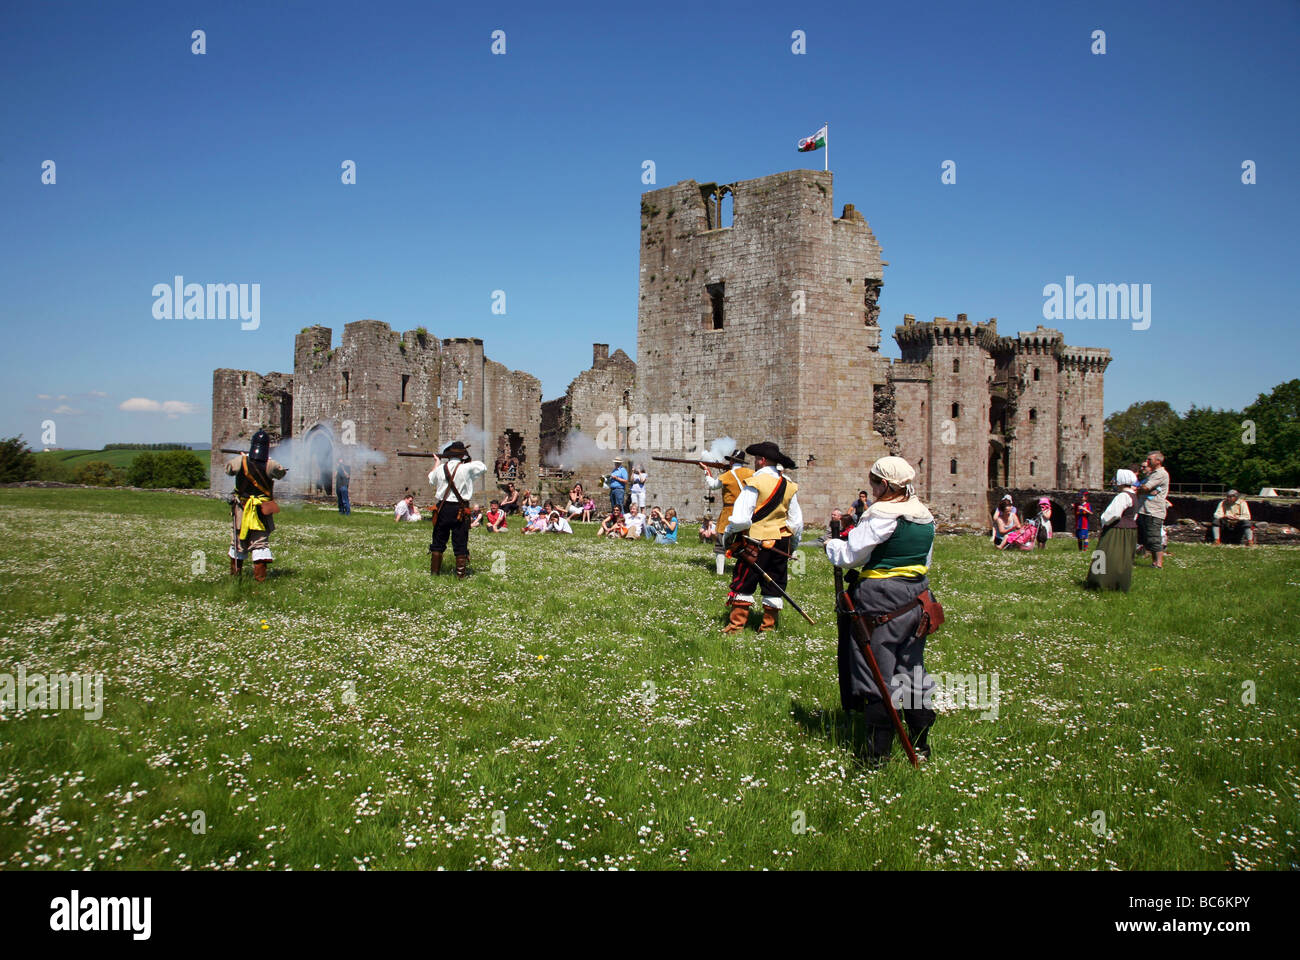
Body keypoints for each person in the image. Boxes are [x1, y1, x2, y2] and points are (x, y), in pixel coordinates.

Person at [825, 455, 938, 764]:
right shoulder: (924, 516)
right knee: (911, 670)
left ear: (886, 485)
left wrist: (830, 546)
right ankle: (921, 743)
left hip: (880, 600)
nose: (871, 488)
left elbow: (850, 555)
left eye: (874, 482)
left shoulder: (881, 515)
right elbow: (923, 562)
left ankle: (877, 754)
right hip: (917, 597)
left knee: (875, 673)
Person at [722, 441, 803, 634]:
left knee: (744, 582)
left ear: (762, 460)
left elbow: (741, 519)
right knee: (775, 583)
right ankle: (768, 627)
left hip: (754, 542)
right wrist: (793, 544)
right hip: (781, 543)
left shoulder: (754, 483)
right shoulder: (789, 485)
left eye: (757, 459)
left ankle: (735, 627)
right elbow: (796, 523)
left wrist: (729, 533)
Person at [224, 429, 288, 582]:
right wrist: (269, 461)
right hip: (261, 511)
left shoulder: (241, 462)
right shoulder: (271, 464)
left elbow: (229, 469)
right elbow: (281, 474)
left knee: (238, 542)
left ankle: (236, 577)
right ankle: (259, 580)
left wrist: (243, 458)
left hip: (242, 508)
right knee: (260, 544)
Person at [428, 440, 488, 579]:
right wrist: (467, 458)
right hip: (459, 510)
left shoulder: (440, 468)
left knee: (438, 541)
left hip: (442, 509)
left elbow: (431, 479)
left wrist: (437, 463)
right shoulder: (467, 468)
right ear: (463, 455)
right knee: (460, 542)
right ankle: (460, 576)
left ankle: (435, 574)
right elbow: (483, 467)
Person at [701, 448, 754, 575]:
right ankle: (747, 571)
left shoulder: (726, 475)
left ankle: (720, 573)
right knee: (748, 543)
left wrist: (706, 471)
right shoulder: (751, 473)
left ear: (731, 462)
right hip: (747, 512)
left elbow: (713, 485)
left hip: (729, 512)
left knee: (721, 543)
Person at [1087, 469, 1140, 592]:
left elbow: (1113, 514)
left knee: (1105, 554)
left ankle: (1100, 582)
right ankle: (1119, 582)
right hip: (1130, 531)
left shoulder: (1123, 496)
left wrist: (1104, 521)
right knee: (1122, 558)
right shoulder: (1133, 496)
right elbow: (1134, 515)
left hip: (1117, 530)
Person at [1135, 451, 1170, 569]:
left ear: (1158, 461)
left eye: (1150, 459)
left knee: (1154, 538)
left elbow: (1145, 488)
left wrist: (1139, 489)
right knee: (1147, 538)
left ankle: (1158, 564)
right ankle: (1154, 562)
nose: (1147, 461)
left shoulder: (1160, 474)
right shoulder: (1151, 474)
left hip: (1154, 511)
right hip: (1144, 509)